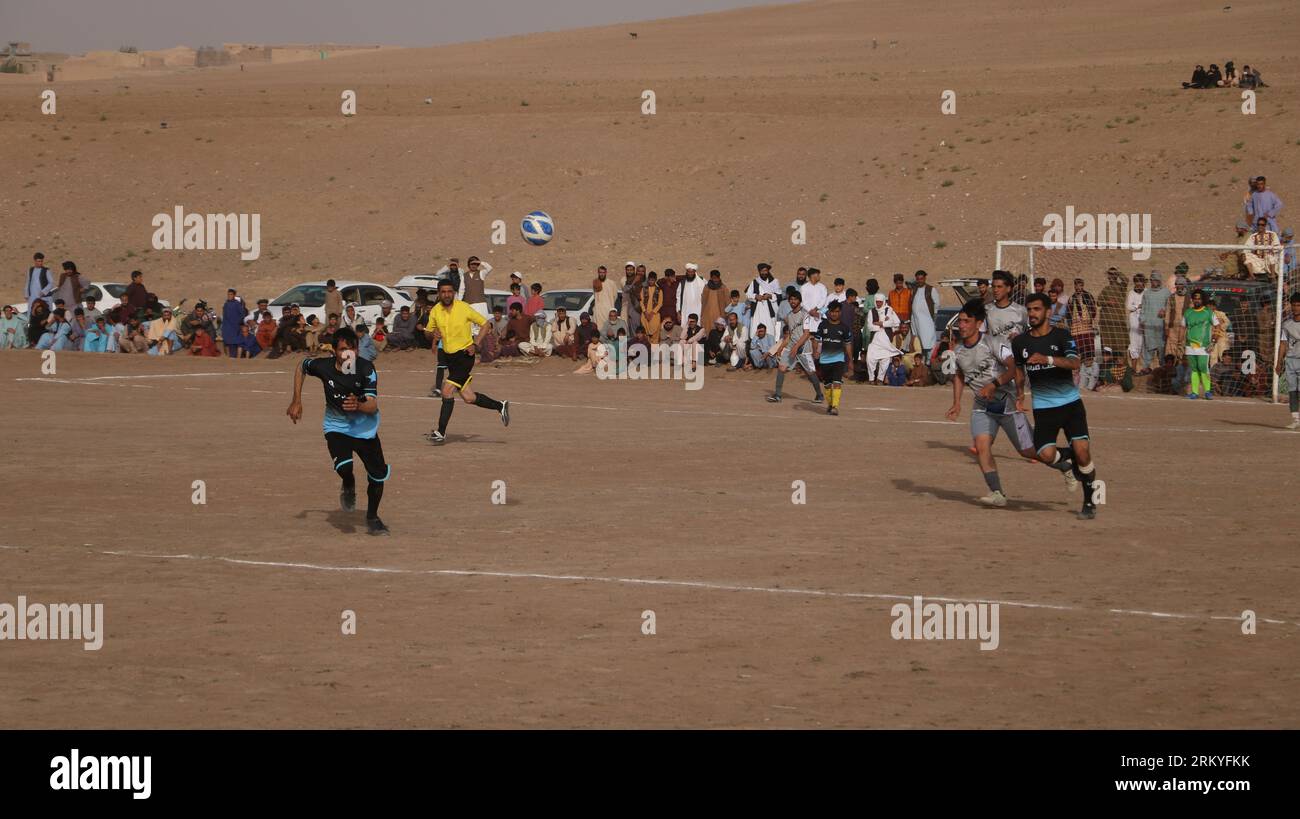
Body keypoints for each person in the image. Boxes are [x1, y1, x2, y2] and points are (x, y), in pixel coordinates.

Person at [948, 298, 1075, 507]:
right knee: (982, 447)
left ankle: (1065, 465)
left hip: (1006, 404)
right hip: (982, 407)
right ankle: (997, 492)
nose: (961, 325)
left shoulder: (993, 343)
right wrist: (957, 403)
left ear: (978, 323)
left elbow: (1013, 368)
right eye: (960, 321)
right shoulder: (959, 351)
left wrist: (995, 384)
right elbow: (959, 376)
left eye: (966, 321)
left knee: (1029, 451)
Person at [286, 327, 389, 535]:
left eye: (351, 349)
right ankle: (348, 483)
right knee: (344, 468)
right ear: (334, 350)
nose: (347, 354)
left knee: (377, 477)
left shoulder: (366, 368)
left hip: (364, 430)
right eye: (342, 350)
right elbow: (301, 366)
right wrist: (296, 400)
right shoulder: (323, 366)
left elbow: (373, 405)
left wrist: (359, 406)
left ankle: (372, 517)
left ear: (357, 350)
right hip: (337, 427)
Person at [1012, 293, 1099, 519]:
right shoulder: (1020, 342)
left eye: (1037, 309)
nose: (1032, 314)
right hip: (1043, 408)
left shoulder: (1062, 335)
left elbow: (1075, 362)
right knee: (1046, 454)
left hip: (1070, 405)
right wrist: (1020, 394)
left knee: (1084, 452)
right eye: (1029, 309)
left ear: (1048, 312)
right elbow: (1019, 369)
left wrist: (1048, 359)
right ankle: (1072, 460)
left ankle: (1090, 502)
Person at [422, 281, 510, 444]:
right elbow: (427, 333)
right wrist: (432, 335)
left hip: (464, 356)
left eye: (449, 291)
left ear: (454, 293)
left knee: (447, 391)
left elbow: (486, 324)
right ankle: (500, 405)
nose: (447, 294)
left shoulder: (463, 307)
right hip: (450, 358)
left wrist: (476, 343)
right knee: (469, 397)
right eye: (443, 292)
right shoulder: (435, 311)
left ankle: (440, 432)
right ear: (438, 293)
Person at [764, 290, 824, 403]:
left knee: (810, 372)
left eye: (795, 299)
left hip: (803, 348)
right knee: (781, 368)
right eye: (791, 299)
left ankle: (819, 395)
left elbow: (807, 334)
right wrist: (781, 347)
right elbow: (790, 334)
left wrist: (796, 347)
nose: (793, 301)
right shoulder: (789, 315)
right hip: (791, 347)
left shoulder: (805, 314)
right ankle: (777, 395)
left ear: (800, 301)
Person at [813, 301, 853, 415]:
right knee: (827, 385)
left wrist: (850, 361)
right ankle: (830, 404)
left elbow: (848, 344)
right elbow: (816, 340)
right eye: (832, 311)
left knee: (837, 382)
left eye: (837, 311)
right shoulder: (823, 325)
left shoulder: (844, 328)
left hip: (838, 360)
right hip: (824, 360)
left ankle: (835, 406)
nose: (834, 314)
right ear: (828, 312)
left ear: (840, 312)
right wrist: (815, 352)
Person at [865, 293, 904, 383]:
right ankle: (871, 378)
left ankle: (880, 379)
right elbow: (870, 326)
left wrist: (881, 323)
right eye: (877, 302)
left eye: (880, 302)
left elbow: (895, 322)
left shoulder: (889, 309)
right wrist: (881, 325)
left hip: (885, 339)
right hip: (875, 339)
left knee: (885, 359)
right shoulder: (872, 311)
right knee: (870, 358)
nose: (878, 304)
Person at [1276, 293, 1300, 429]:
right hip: (1291, 360)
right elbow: (1283, 343)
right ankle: (1296, 420)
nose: (1296, 308)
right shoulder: (1287, 324)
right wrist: (1279, 362)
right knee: (1292, 391)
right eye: (1294, 305)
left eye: (1298, 305)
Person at [746, 263, 782, 338]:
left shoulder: (774, 282)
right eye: (762, 271)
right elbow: (748, 294)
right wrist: (756, 296)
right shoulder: (755, 282)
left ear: (768, 271)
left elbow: (779, 295)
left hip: (770, 309)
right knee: (756, 326)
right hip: (758, 309)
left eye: (765, 270)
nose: (764, 273)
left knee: (770, 328)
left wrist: (769, 296)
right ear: (759, 272)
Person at [909, 270, 940, 358]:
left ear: (925, 278)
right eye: (918, 279)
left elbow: (937, 304)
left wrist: (934, 315)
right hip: (915, 321)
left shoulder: (931, 289)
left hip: (927, 321)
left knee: (928, 341)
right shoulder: (914, 290)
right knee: (918, 343)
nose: (919, 281)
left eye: (921, 279)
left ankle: (929, 361)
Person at [639, 273, 664, 342]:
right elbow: (641, 301)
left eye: (652, 280)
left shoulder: (659, 290)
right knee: (645, 333)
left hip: (655, 315)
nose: (651, 282)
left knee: (655, 333)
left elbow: (660, 303)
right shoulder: (643, 289)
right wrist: (645, 312)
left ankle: (654, 351)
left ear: (655, 280)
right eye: (649, 280)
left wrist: (652, 313)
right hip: (645, 315)